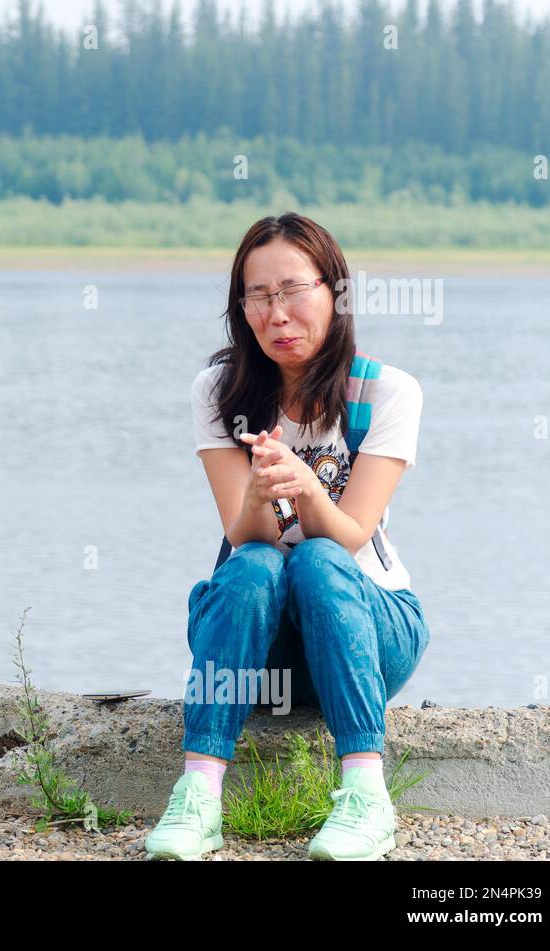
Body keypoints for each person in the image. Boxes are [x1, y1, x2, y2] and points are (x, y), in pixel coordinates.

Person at [145, 211, 429, 861]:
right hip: (257, 654)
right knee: (252, 566)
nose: (278, 313)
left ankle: (366, 795)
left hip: (368, 636)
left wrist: (304, 485)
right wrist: (257, 498)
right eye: (259, 296)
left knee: (321, 558)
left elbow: (355, 532)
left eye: (294, 290)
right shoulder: (219, 391)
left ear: (336, 291)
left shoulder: (384, 392)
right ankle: (199, 796)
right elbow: (242, 536)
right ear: (240, 308)